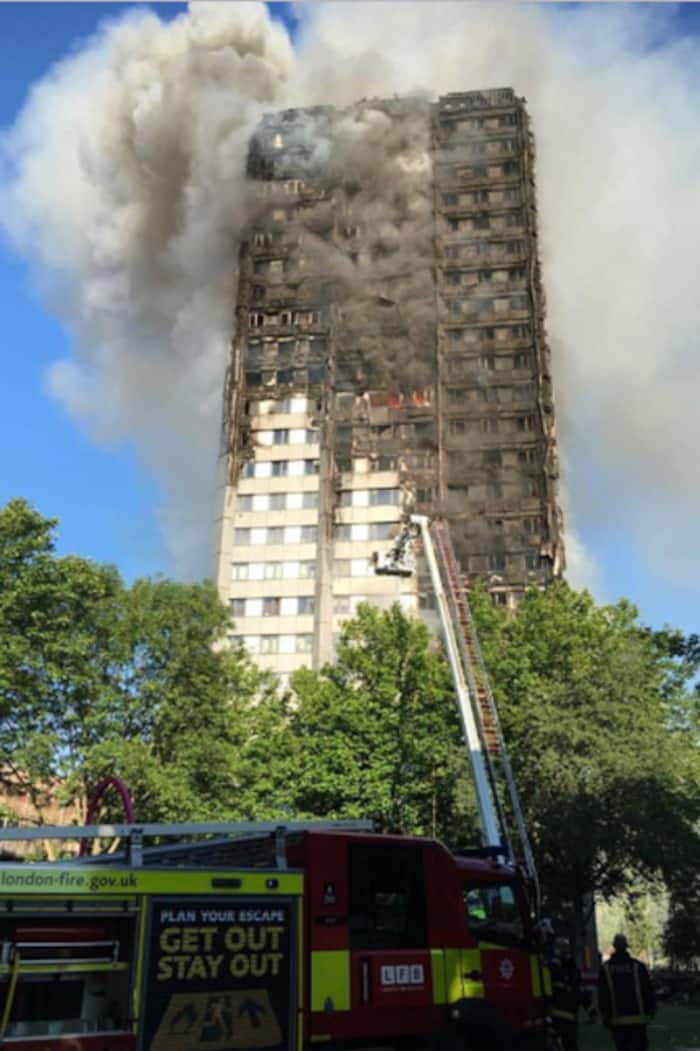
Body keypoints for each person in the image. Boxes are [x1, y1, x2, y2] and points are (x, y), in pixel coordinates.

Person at [597, 934, 656, 1051]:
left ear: (614, 947)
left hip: (617, 1020)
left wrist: (605, 1015)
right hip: (638, 1020)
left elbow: (602, 994)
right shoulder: (638, 966)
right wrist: (651, 1009)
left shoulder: (606, 968)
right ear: (626, 947)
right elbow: (648, 989)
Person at [550, 936, 588, 1051]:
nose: (565, 951)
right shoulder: (553, 967)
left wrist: (588, 1007)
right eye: (563, 948)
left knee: (570, 1045)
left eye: (566, 948)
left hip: (571, 1015)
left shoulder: (572, 967)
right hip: (557, 1015)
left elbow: (578, 989)